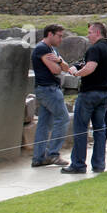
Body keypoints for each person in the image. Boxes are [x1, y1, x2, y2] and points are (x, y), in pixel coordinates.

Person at [61, 22, 107, 173]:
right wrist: (78, 66)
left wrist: (76, 73)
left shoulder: (95, 48)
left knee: (80, 129)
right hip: (104, 94)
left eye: (90, 32)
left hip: (89, 93)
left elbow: (90, 67)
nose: (88, 35)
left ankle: (78, 164)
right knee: (99, 130)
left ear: (98, 33)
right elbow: (87, 64)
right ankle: (99, 164)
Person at [30, 24, 71, 168]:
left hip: (48, 89)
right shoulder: (42, 49)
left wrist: (59, 61)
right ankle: (53, 154)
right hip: (48, 90)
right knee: (63, 118)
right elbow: (56, 70)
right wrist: (59, 64)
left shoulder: (52, 50)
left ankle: (38, 158)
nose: (61, 39)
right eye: (59, 36)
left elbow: (65, 67)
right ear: (49, 34)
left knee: (44, 124)